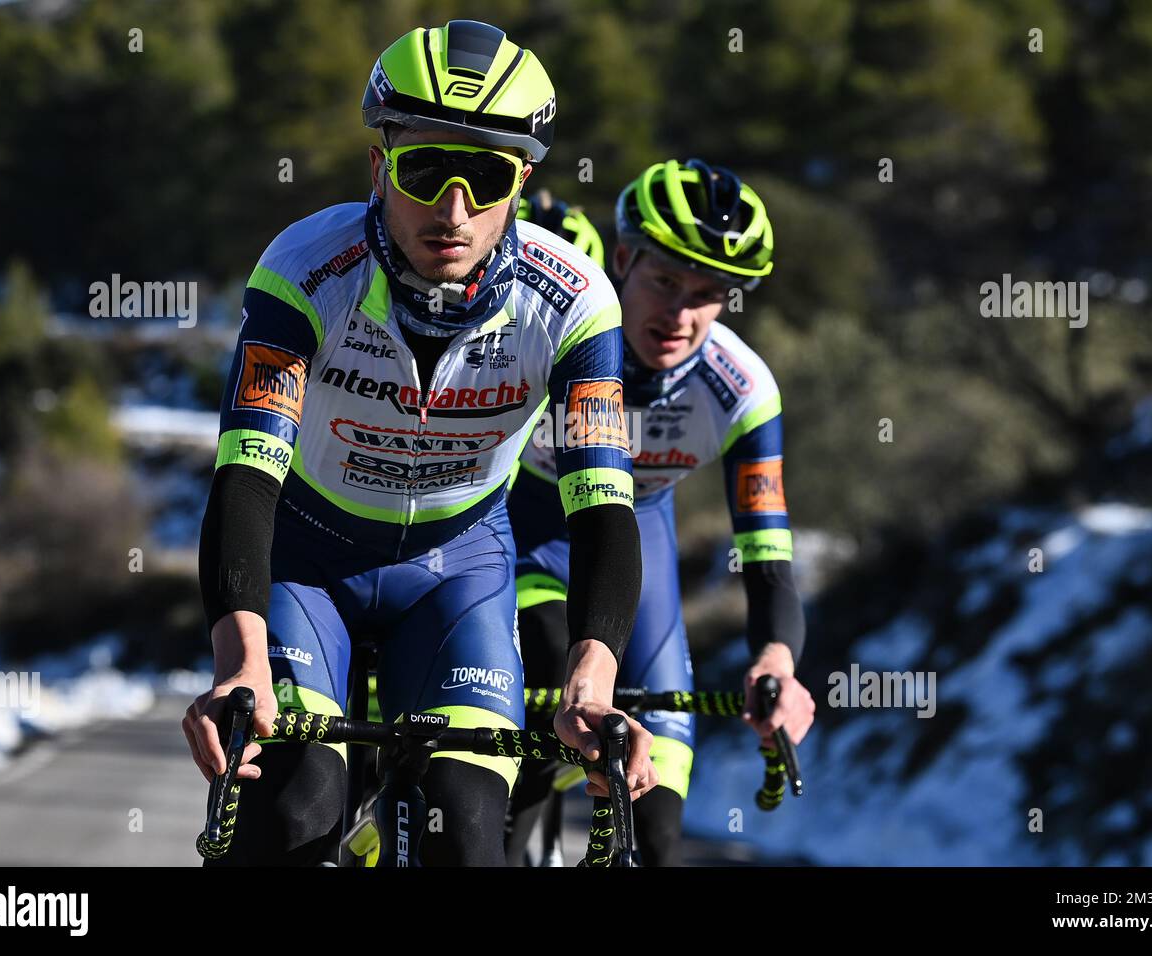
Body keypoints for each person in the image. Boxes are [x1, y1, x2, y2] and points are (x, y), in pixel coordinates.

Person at [183, 19, 656, 867]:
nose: (454, 209)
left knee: (470, 832)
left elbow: (603, 506)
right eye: (426, 169)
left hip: (460, 570)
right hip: (305, 561)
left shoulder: (576, 303)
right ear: (378, 168)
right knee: (295, 809)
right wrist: (240, 656)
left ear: (522, 182)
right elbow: (247, 475)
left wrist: (594, 672)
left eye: (486, 177)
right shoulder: (303, 271)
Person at [506, 162, 816, 867]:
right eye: (665, 282)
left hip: (639, 563)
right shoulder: (558, 341)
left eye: (708, 294)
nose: (680, 314)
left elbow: (768, 563)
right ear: (623, 260)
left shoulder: (741, 392)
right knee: (544, 701)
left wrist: (776, 661)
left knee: (659, 833)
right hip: (529, 539)